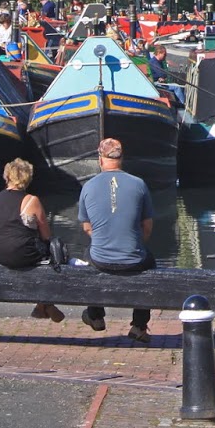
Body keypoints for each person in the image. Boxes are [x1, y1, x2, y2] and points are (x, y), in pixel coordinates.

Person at [77, 138, 156, 344]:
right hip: (133, 258)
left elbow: (86, 227)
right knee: (150, 262)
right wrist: (134, 243)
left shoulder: (88, 186)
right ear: (122, 158)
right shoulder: (139, 184)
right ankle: (139, 326)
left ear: (100, 159)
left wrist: (104, 240)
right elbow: (147, 226)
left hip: (100, 259)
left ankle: (96, 316)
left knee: (88, 256)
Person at [0, 158, 65, 323]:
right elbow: (46, 235)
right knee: (54, 252)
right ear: (27, 178)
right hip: (21, 254)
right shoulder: (31, 200)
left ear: (7, 176)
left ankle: (43, 306)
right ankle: (43, 303)